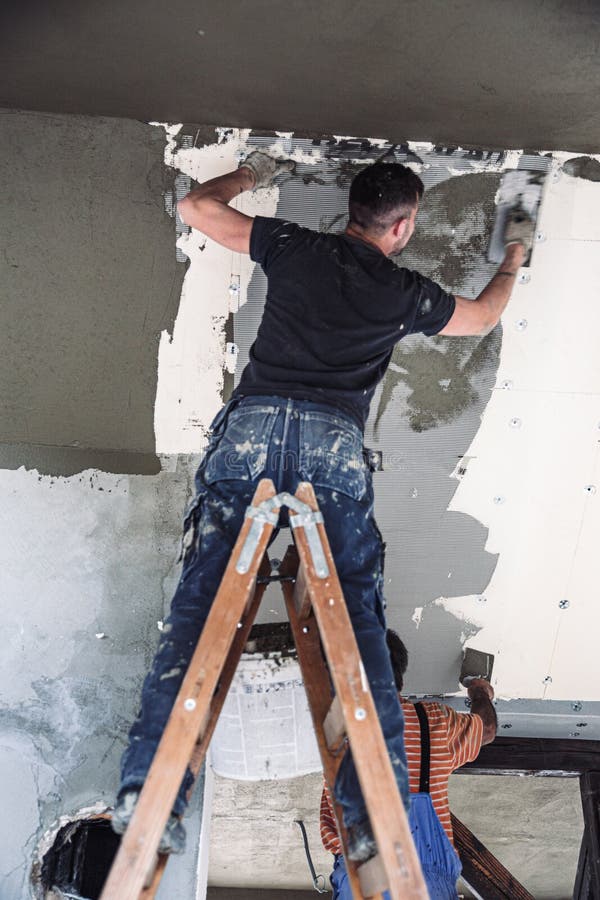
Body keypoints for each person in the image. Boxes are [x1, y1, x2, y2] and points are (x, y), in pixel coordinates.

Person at [111, 150, 532, 856]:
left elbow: (195, 210)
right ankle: (369, 811)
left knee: (199, 609)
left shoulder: (294, 245)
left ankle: (147, 791)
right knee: (357, 622)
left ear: (352, 213)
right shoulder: (404, 292)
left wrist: (249, 174)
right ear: (403, 226)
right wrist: (514, 257)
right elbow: (484, 316)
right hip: (330, 452)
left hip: (252, 430)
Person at [321, 630, 497, 898]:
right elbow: (487, 731)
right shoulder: (432, 721)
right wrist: (480, 691)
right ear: (399, 677)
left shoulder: (335, 728)